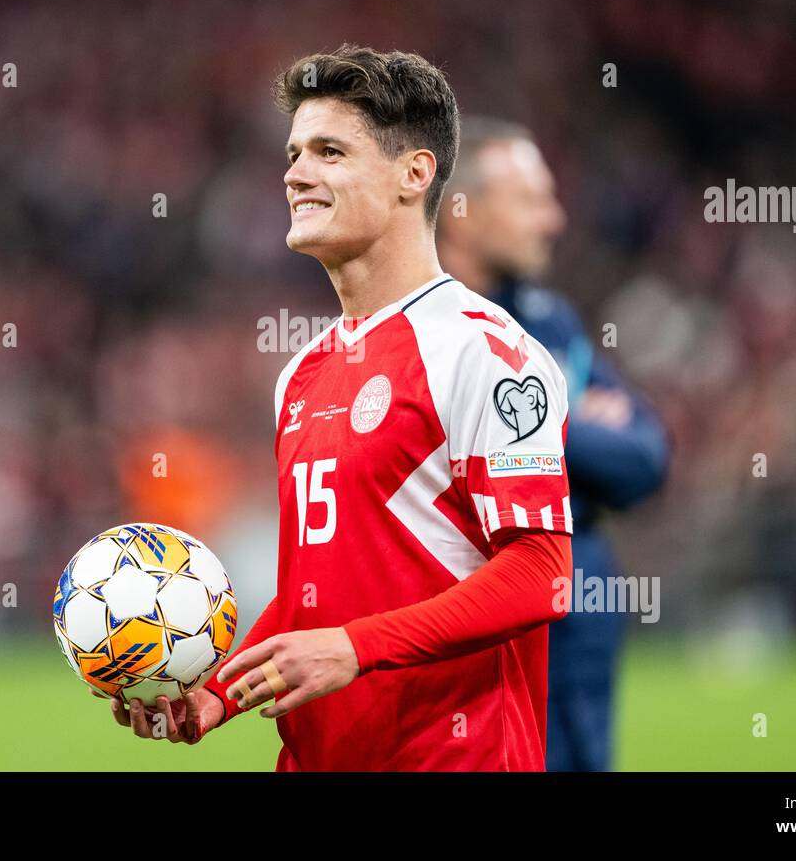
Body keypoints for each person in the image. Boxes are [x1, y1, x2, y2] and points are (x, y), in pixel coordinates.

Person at [110, 45, 575, 770]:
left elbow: (542, 572)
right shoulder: (301, 375)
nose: (296, 174)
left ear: (414, 174)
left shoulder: (484, 352)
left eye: (329, 152)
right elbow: (314, 595)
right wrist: (217, 696)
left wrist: (357, 648)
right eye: (294, 154)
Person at [436, 116, 670, 770]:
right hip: (485, 604)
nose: (554, 219)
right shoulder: (434, 328)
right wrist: (574, 422)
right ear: (460, 213)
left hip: (580, 602)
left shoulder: (549, 319)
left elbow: (645, 458)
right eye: (529, 200)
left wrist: (537, 427)